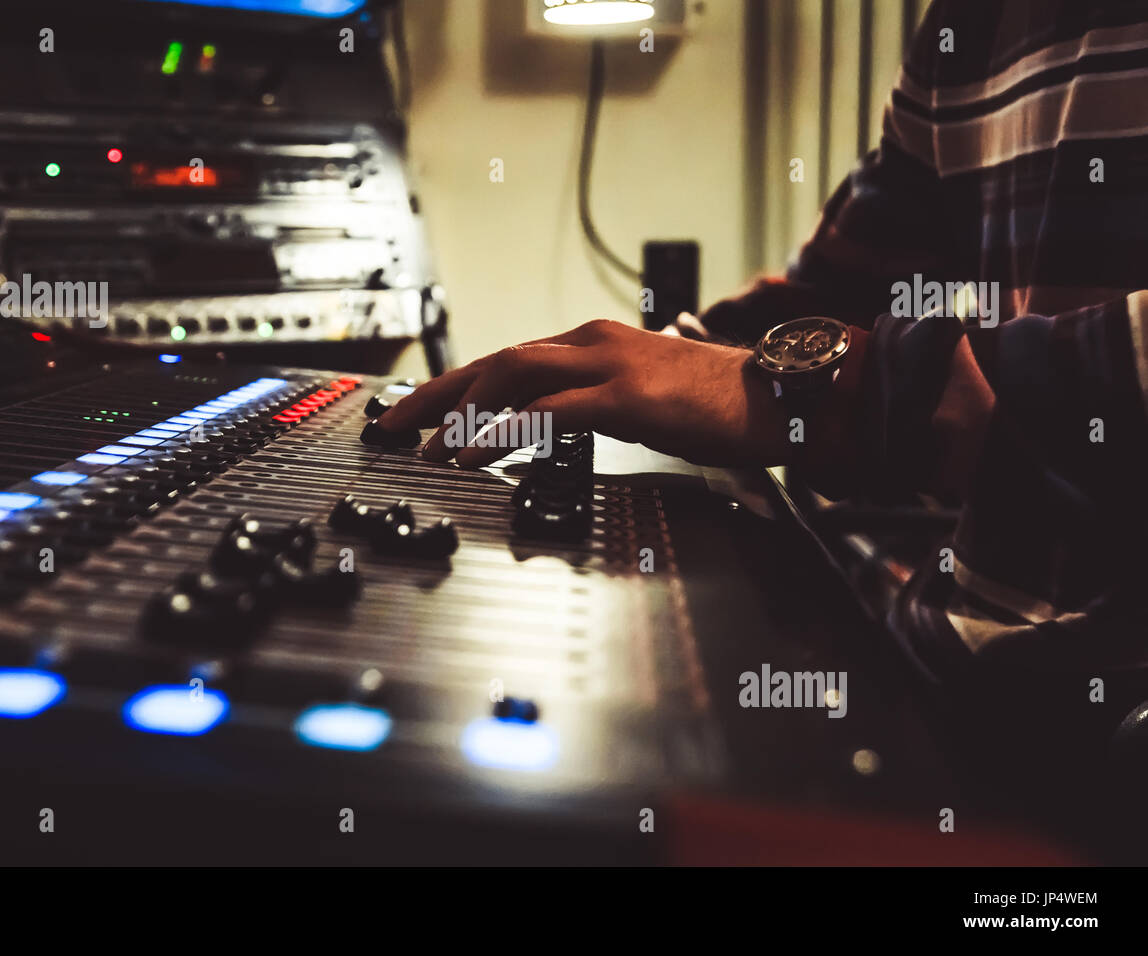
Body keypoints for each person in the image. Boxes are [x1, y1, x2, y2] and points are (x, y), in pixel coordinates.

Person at [379, 0, 1148, 684]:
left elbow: (835, 380)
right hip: (952, 650)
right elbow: (840, 288)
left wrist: (802, 393)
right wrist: (659, 364)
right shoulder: (975, 23)